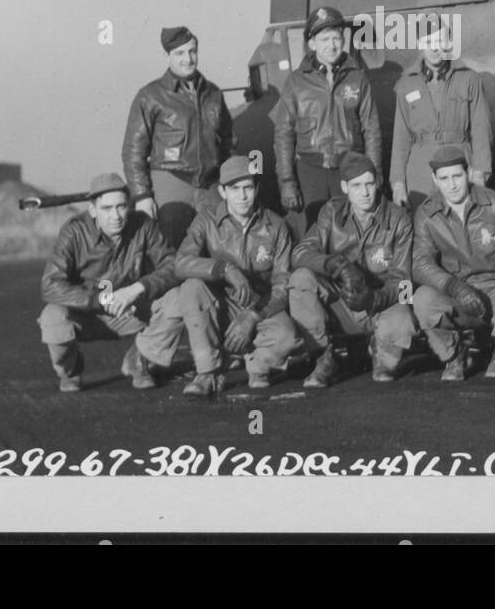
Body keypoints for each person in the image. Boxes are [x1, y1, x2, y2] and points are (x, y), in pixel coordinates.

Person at [36, 173, 192, 393]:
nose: (116, 216)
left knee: (178, 299)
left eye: (121, 207)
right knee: (52, 317)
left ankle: (140, 361)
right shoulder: (74, 231)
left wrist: (137, 289)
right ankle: (70, 371)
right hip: (88, 313)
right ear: (93, 210)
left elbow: (173, 265)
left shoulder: (143, 225)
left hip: (132, 310)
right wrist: (100, 300)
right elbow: (51, 284)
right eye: (107, 209)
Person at [171, 155, 301, 396]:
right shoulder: (207, 221)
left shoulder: (276, 225)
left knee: (287, 337)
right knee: (192, 287)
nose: (242, 197)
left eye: (248, 188)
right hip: (221, 307)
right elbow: (180, 263)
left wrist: (253, 315)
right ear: (222, 191)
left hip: (259, 305)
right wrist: (224, 269)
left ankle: (258, 365)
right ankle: (208, 372)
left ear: (257, 189)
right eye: (234, 189)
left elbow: (282, 284)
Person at [290, 152, 417, 387]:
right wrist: (337, 265)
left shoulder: (399, 219)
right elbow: (299, 253)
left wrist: (376, 297)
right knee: (301, 279)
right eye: (356, 186)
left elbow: (405, 284)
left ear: (377, 183)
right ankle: (323, 357)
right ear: (344, 187)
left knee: (400, 330)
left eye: (369, 184)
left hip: (380, 304)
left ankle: (382, 353)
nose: (365, 192)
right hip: (342, 301)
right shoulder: (332, 212)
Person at [411, 145, 495, 382]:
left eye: (457, 176)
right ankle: (455, 355)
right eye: (444, 178)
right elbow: (420, 262)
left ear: (468, 173)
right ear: (434, 180)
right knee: (423, 300)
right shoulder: (427, 214)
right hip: (457, 290)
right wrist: (454, 287)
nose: (452, 184)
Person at [271, 5, 382, 235]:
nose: (331, 45)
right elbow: (283, 135)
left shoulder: (358, 79)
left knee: (351, 232)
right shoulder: (296, 82)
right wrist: (286, 181)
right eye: (324, 39)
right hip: (310, 171)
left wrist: (375, 174)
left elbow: (372, 130)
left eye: (336, 38)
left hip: (349, 169)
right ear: (312, 43)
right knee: (312, 233)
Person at [123, 26, 234, 250]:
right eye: (180, 53)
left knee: (219, 244)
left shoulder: (213, 94)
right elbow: (133, 151)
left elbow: (229, 143)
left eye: (192, 51)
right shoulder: (151, 96)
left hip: (209, 184)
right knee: (168, 248)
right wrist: (142, 196)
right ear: (168, 56)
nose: (188, 59)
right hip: (170, 181)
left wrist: (230, 183)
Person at [390, 14, 492, 210]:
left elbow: (481, 129)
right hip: (421, 168)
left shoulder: (469, 79)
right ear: (420, 44)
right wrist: (398, 183)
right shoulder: (406, 84)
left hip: (460, 164)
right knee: (424, 225)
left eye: (440, 41)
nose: (435, 48)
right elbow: (401, 137)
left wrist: (480, 172)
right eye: (428, 42)